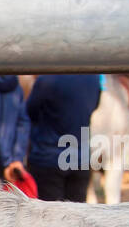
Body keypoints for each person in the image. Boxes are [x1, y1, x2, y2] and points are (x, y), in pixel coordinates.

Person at [26, 73, 103, 202]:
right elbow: (94, 105)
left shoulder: (47, 79)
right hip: (80, 160)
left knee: (50, 217)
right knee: (77, 217)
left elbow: (30, 111)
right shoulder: (94, 77)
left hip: (48, 158)